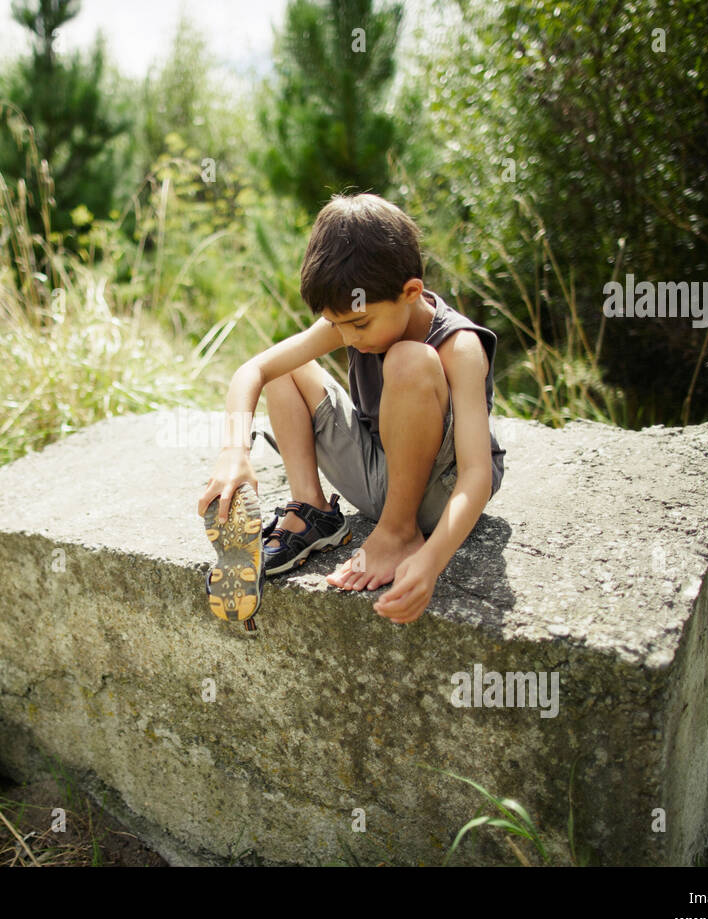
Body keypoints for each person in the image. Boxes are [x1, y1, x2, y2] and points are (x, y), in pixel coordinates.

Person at [196, 192, 506, 625]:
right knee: (284, 369)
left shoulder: (460, 345)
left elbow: (478, 473)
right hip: (376, 474)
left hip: (440, 492)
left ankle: (399, 532)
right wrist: (234, 452)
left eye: (358, 324)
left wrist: (434, 559)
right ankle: (314, 513)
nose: (348, 337)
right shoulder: (351, 319)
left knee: (408, 358)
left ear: (411, 291)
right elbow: (252, 370)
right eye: (337, 324)